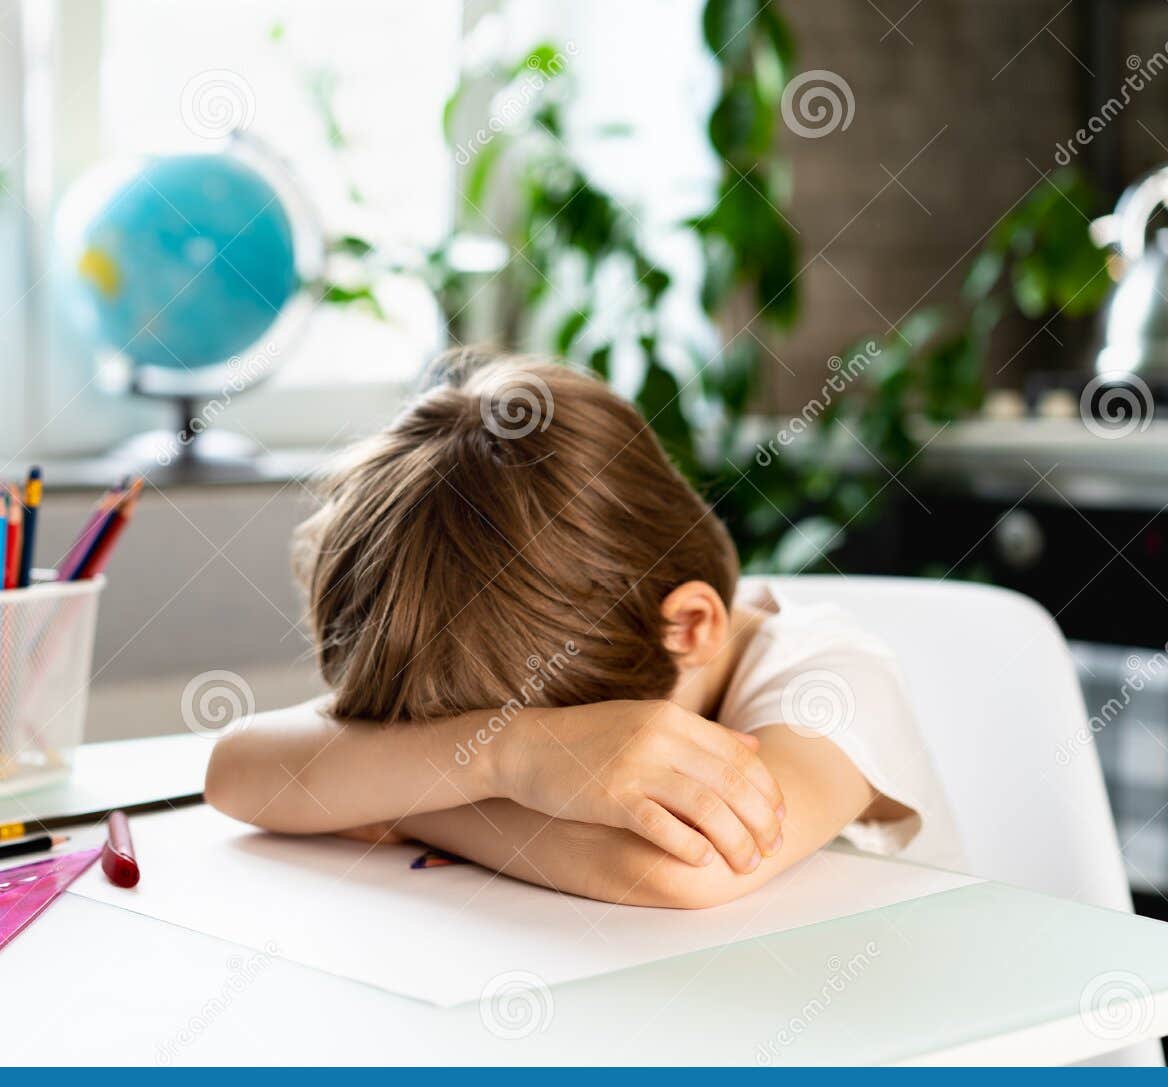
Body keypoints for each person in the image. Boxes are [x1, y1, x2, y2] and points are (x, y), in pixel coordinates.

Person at [205, 349, 961, 908]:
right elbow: (237, 771)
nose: (535, 760)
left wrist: (407, 797)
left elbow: (691, 867)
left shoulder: (834, 681)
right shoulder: (506, 681)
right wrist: (505, 755)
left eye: (568, 739)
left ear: (689, 626)